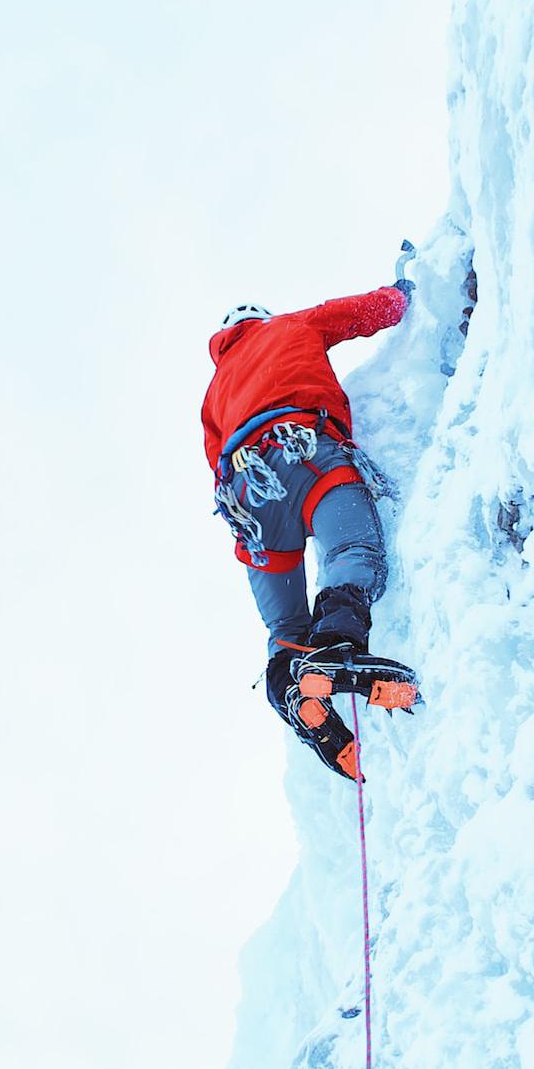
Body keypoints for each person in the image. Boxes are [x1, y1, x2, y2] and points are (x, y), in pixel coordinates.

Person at [203, 283, 419, 778]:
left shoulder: (214, 391)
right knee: (352, 552)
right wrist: (404, 294)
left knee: (284, 628)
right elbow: (353, 314)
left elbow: (214, 459)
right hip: (304, 450)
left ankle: (294, 693)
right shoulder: (289, 326)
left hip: (248, 495)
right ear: (260, 319)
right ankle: (338, 648)